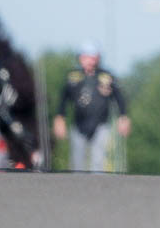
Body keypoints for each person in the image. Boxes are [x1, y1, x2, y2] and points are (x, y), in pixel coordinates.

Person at [52, 41, 130, 172]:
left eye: (93, 57)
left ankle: (97, 189)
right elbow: (63, 99)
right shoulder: (73, 77)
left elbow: (119, 98)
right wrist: (60, 118)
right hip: (78, 124)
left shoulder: (106, 76)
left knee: (98, 161)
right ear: (80, 58)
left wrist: (123, 117)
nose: (89, 61)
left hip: (101, 124)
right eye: (86, 57)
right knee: (77, 162)